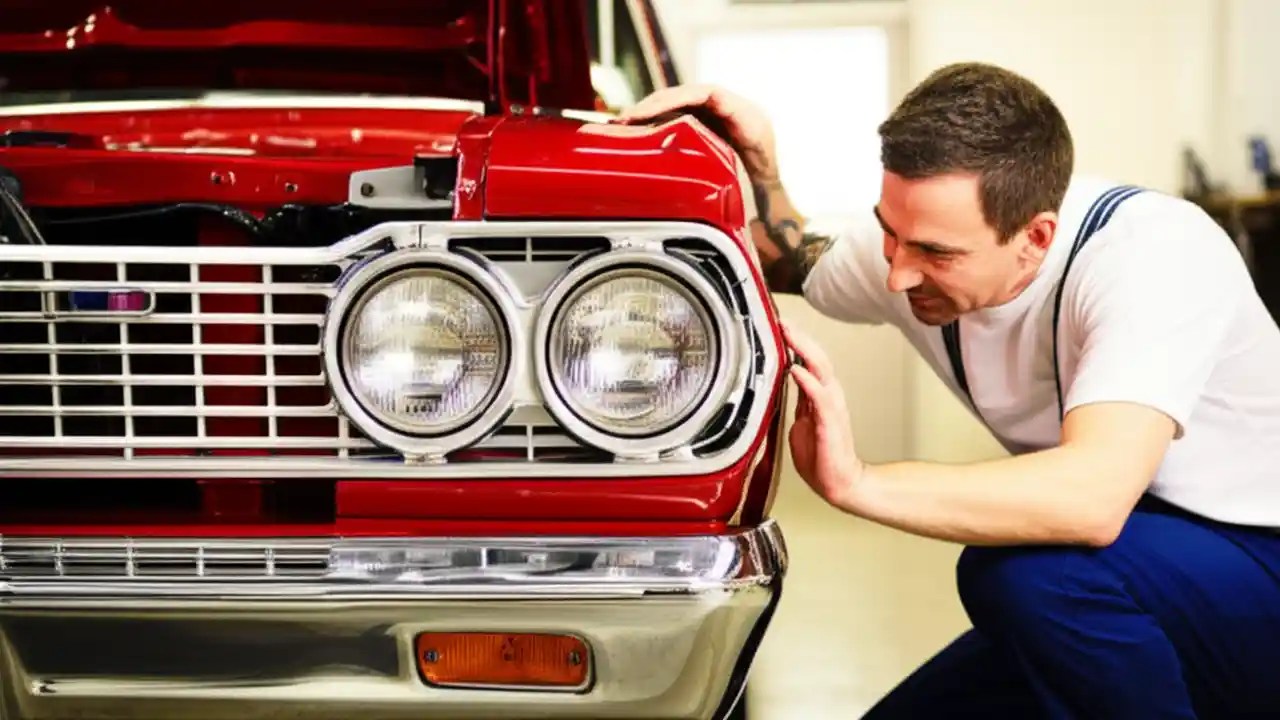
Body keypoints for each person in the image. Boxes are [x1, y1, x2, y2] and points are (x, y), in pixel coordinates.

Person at [620, 62, 1280, 718]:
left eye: (936, 253)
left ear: (1036, 238)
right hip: (1134, 573)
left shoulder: (1153, 255)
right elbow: (788, 259)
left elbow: (1092, 499)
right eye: (888, 231)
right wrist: (761, 169)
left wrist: (857, 482)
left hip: (1254, 566)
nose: (898, 277)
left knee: (1023, 577)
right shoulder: (909, 253)